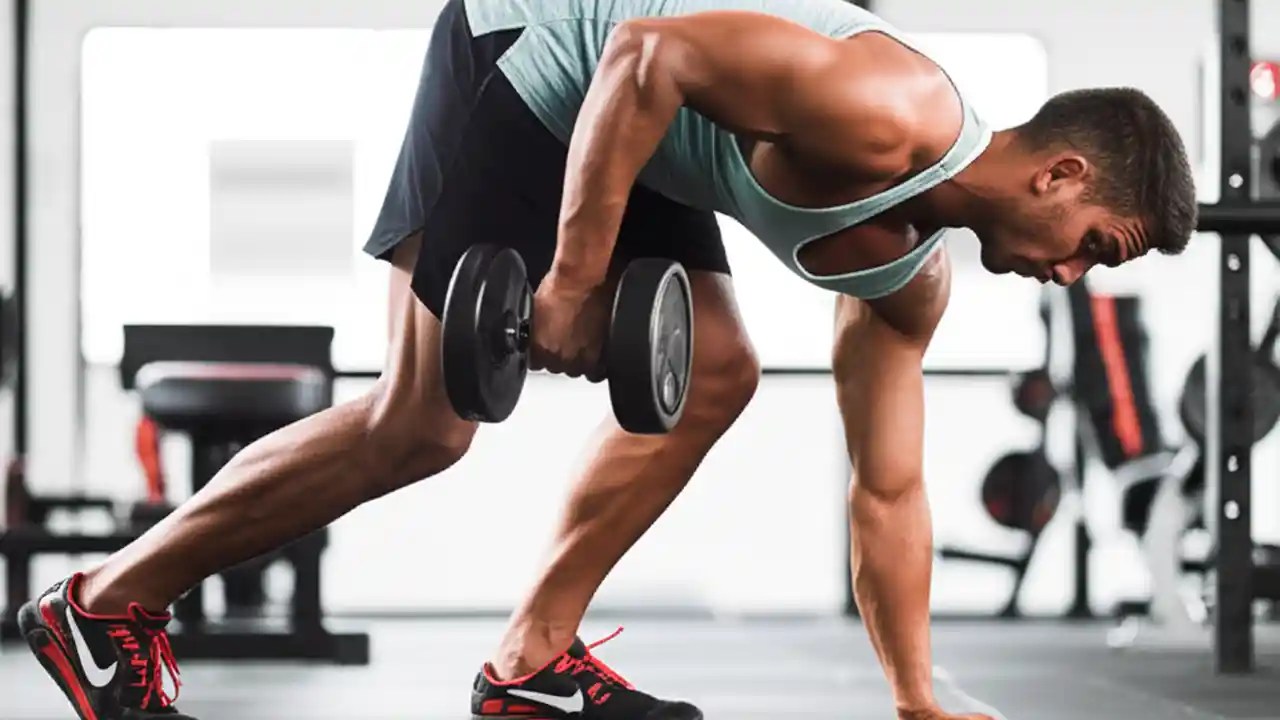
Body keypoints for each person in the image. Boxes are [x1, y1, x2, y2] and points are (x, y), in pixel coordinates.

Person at [18, 0, 1197, 719]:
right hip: (543, 43)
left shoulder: (908, 280)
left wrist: (913, 694)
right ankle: (103, 601)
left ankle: (529, 664)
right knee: (421, 425)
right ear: (1060, 176)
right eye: (1095, 249)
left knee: (719, 372)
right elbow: (641, 55)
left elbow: (887, 490)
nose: (1073, 276)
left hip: (647, 134)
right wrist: (572, 286)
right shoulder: (889, 106)